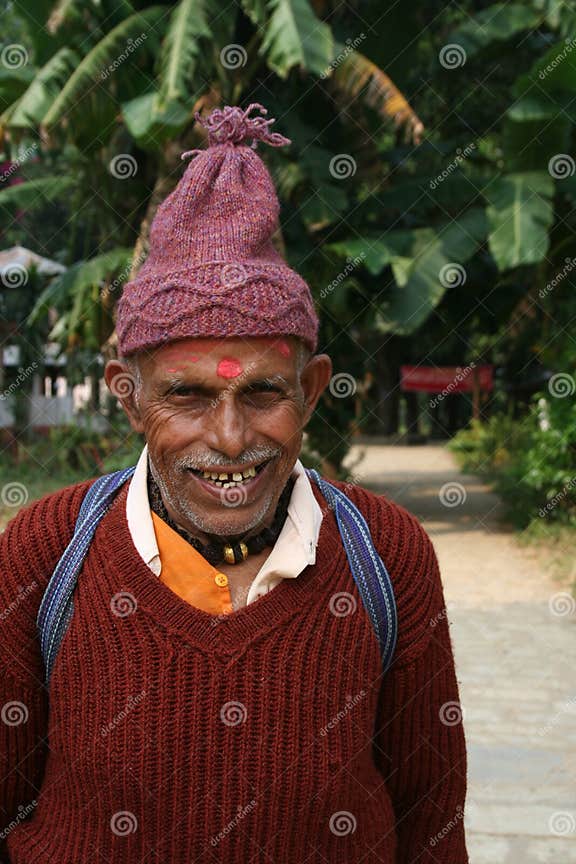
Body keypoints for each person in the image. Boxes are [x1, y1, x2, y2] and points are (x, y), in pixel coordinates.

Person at [0, 103, 469, 863]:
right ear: (127, 394)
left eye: (263, 393)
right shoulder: (46, 553)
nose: (228, 438)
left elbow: (431, 818)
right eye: (186, 395)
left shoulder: (388, 556)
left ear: (312, 389)